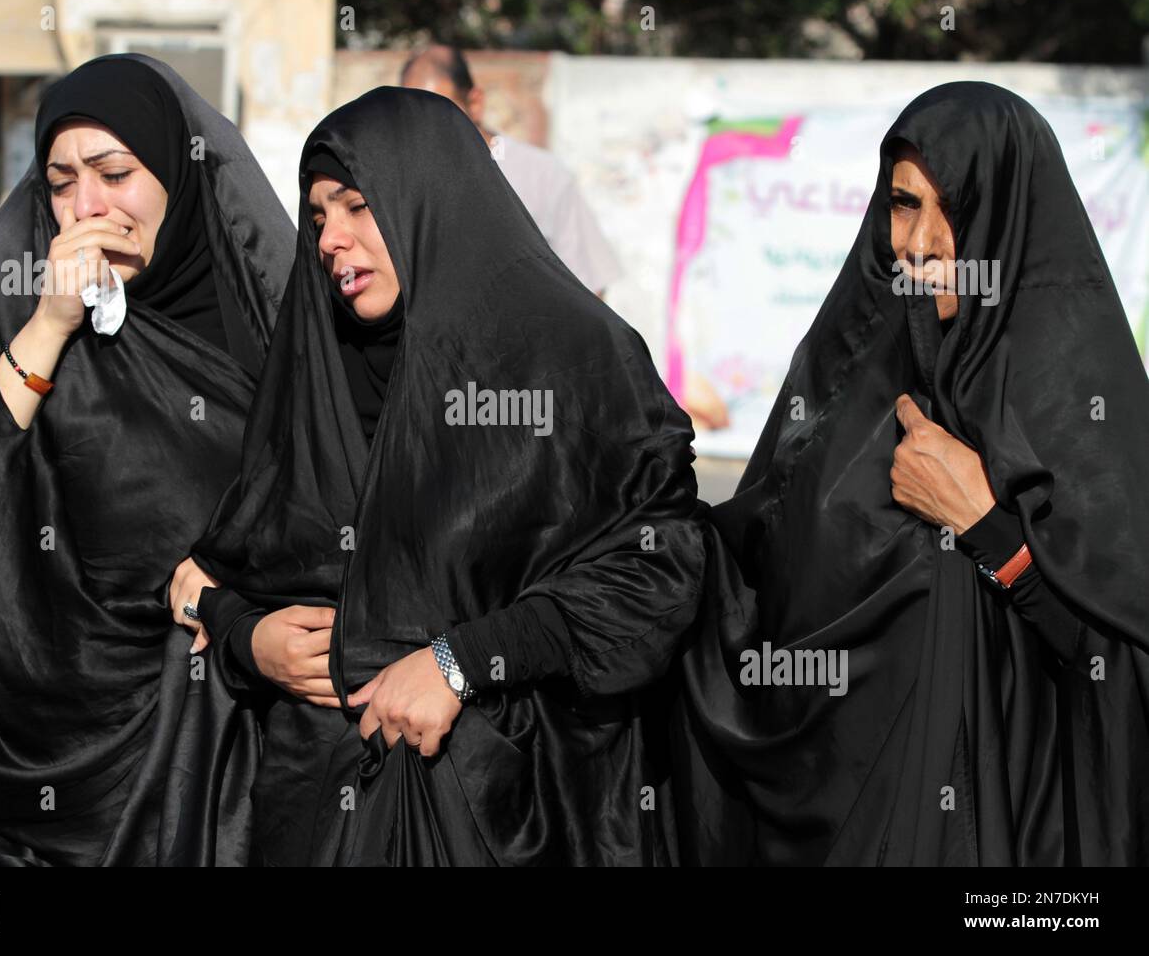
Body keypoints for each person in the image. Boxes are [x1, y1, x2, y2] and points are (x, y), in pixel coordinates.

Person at [190, 86, 709, 866]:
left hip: (511, 805)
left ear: (426, 196)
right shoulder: (316, 367)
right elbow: (253, 551)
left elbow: (658, 566)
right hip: (322, 805)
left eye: (358, 206)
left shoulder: (570, 357)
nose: (332, 238)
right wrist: (244, 634)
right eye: (318, 215)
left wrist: (462, 661)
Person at [667, 82, 1149, 865]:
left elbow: (1122, 665)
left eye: (950, 210)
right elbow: (748, 576)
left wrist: (994, 534)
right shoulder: (847, 380)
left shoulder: (1076, 402)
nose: (920, 243)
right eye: (901, 204)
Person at [0, 54, 293, 865]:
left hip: (230, 766)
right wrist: (49, 324)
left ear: (177, 173)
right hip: (44, 793)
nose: (86, 207)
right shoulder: (19, 304)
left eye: (114, 173)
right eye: (62, 180)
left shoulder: (263, 319)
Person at [401, 44, 622, 297]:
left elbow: (589, 292)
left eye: (439, 113)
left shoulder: (541, 176)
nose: (426, 130)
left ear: (475, 103)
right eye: (411, 117)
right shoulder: (401, 183)